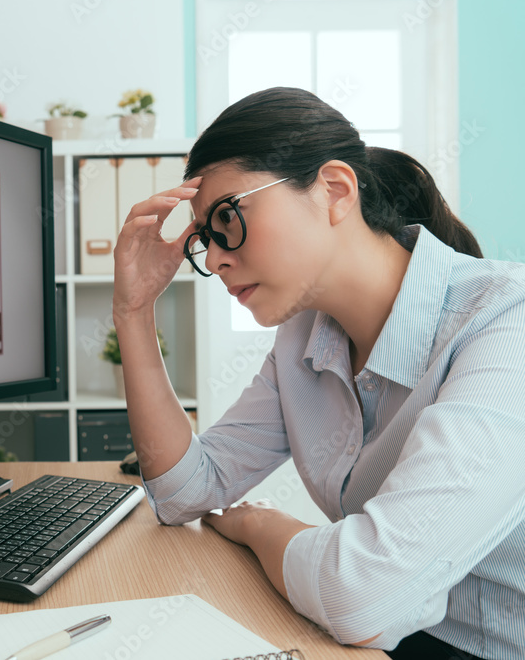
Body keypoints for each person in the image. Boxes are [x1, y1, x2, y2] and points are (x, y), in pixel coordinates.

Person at [113, 86, 525, 660]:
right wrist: (133, 312)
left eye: (227, 218)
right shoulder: (304, 337)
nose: (214, 257)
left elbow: (364, 595)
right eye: (204, 238)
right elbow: (185, 492)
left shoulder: (507, 322)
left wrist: (264, 527)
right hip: (396, 639)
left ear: (334, 190)